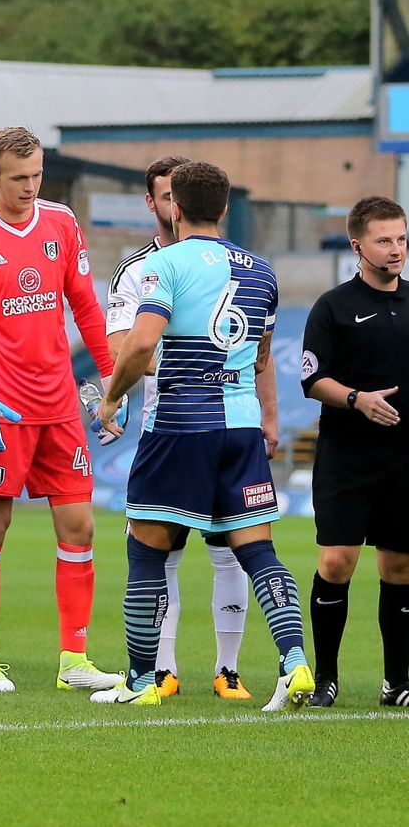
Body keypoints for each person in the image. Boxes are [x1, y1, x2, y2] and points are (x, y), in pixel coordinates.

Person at [92, 160, 313, 710]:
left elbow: (140, 346)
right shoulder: (261, 270)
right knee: (257, 550)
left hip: (178, 426)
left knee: (146, 553)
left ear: (176, 207)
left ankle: (143, 680)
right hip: (239, 428)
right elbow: (262, 353)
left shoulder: (164, 264)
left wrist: (114, 395)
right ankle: (294, 662)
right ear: (226, 207)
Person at [0, 126, 123, 693]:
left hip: (60, 403)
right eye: (18, 179)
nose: (30, 187)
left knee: (80, 527)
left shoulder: (61, 222)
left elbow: (85, 303)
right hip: (0, 410)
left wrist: (110, 379)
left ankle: (74, 661)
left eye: (37, 175)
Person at [300, 195, 409, 708]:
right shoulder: (333, 306)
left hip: (403, 459)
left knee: (400, 568)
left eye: (402, 239)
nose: (396, 249)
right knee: (338, 560)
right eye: (384, 240)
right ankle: (326, 677)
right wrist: (357, 400)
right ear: (358, 245)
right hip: (346, 455)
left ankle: (398, 681)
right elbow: (311, 377)